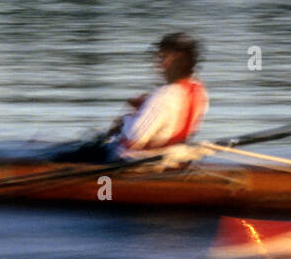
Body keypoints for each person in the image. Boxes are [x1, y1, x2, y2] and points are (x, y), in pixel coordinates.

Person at [51, 33, 209, 163]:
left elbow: (132, 142)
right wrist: (145, 107)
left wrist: (125, 119)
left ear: (177, 60)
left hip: (137, 163)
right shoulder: (199, 90)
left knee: (61, 158)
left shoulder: (163, 96)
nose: (158, 66)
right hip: (176, 157)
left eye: (162, 58)